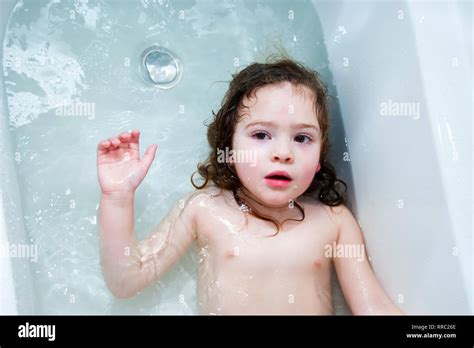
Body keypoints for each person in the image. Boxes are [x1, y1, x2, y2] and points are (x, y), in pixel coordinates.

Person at [96, 58, 403, 315]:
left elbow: (372, 306)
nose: (283, 153)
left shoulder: (333, 222)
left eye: (302, 138)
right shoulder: (204, 210)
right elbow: (127, 281)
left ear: (320, 157)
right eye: (261, 136)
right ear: (229, 149)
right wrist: (118, 197)